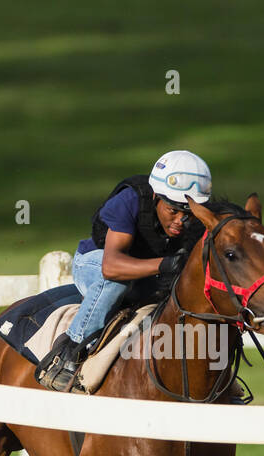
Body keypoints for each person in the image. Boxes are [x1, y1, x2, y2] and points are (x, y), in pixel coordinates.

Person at [35, 149, 211, 392]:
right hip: (96, 264)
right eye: (173, 210)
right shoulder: (129, 200)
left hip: (147, 275)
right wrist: (166, 264)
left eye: (188, 213)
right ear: (155, 198)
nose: (181, 220)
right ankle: (69, 351)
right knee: (118, 282)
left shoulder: (198, 218)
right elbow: (111, 267)